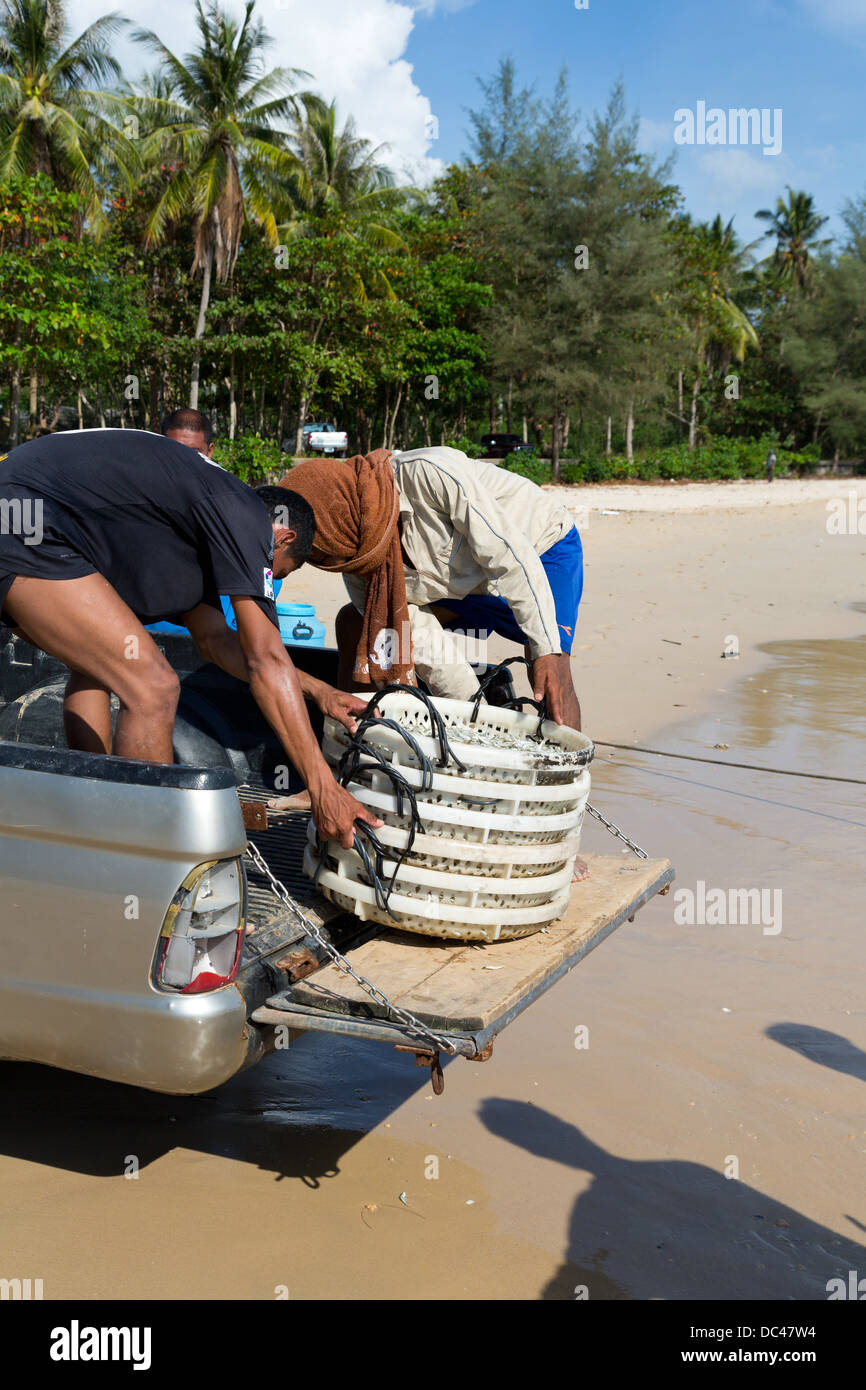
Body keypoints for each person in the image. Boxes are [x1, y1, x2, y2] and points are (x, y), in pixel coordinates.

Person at [0, 429, 379, 849]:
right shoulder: (245, 516)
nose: (265, 582)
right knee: (153, 684)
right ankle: (145, 857)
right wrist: (324, 788)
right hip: (24, 520)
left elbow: (216, 641)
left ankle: (96, 819)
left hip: (30, 516)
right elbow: (265, 659)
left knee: (98, 667)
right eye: (276, 572)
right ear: (282, 536)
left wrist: (319, 691)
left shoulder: (203, 527)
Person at [278, 446, 584, 730]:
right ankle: (357, 745)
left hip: (537, 550)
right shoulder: (359, 564)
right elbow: (428, 648)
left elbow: (511, 558)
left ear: (343, 522)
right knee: (355, 621)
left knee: (550, 669)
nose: (343, 564)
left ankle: (567, 774)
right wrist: (474, 718)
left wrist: (545, 649)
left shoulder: (430, 474)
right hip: (459, 589)